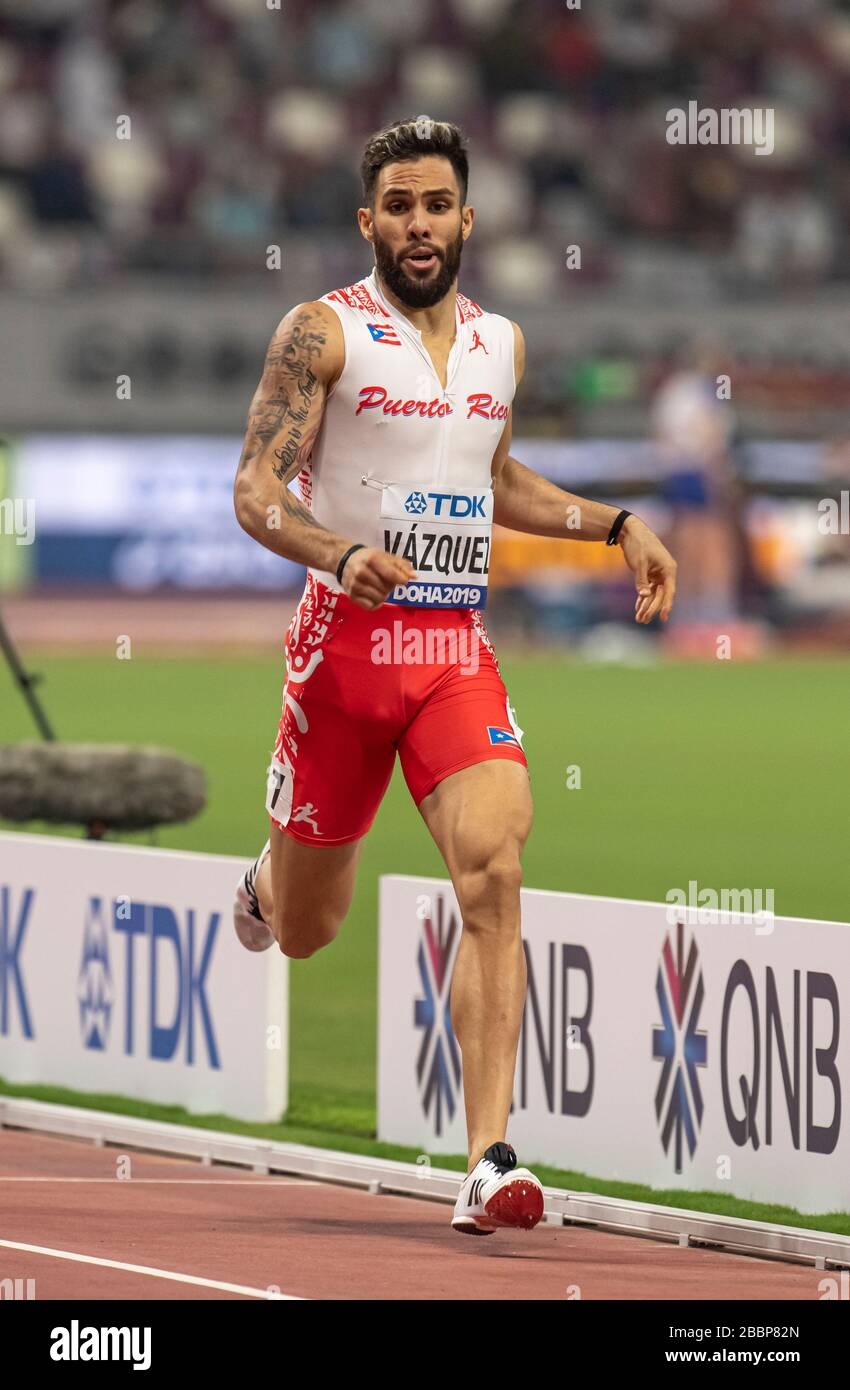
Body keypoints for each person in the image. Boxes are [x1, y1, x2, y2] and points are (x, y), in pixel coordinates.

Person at [232, 118, 677, 1235]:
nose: (418, 225)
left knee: (495, 869)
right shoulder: (321, 333)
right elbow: (254, 490)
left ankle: (487, 1159)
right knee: (305, 929)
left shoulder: (499, 346)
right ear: (367, 221)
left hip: (448, 654)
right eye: (398, 207)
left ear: (467, 220)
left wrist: (614, 524)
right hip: (341, 653)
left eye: (437, 206)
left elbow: (498, 477)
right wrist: (337, 551)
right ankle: (267, 880)